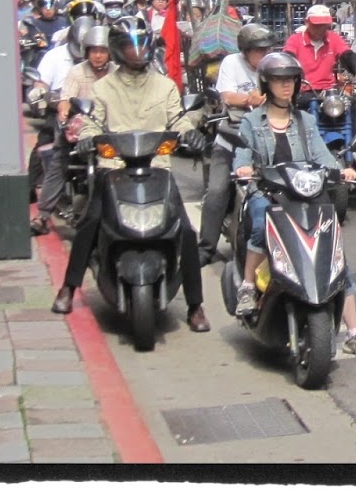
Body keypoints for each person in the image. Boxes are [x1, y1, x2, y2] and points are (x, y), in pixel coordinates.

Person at [51, 18, 210, 332]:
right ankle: (69, 288)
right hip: (114, 171)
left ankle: (195, 306)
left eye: (140, 45)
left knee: (188, 232)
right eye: (128, 46)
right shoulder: (102, 87)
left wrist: (190, 134)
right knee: (90, 221)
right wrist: (87, 138)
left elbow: (178, 120)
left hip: (157, 170)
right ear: (117, 49)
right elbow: (94, 122)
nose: (136, 53)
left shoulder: (165, 86)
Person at [231, 52, 356, 357]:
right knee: (260, 221)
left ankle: (353, 333)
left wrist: (342, 168)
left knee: (336, 260)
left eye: (290, 81)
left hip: (306, 197)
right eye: (279, 81)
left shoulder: (306, 121)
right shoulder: (251, 122)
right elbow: (243, 155)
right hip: (267, 194)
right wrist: (244, 168)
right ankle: (247, 286)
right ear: (266, 83)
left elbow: (322, 156)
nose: (286, 86)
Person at [197, 23, 274, 264]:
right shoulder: (231, 63)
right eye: (258, 50)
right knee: (217, 191)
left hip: (268, 139)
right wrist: (249, 99)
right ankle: (206, 247)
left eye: (267, 49)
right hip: (232, 137)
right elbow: (227, 96)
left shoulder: (274, 65)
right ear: (245, 50)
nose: (264, 55)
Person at [31, 24, 115, 235]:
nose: (98, 56)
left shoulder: (117, 72)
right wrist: (64, 110)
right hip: (79, 130)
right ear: (86, 52)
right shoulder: (77, 72)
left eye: (102, 51)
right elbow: (66, 99)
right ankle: (43, 215)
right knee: (59, 163)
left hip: (111, 131)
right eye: (94, 51)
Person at [282, 4, 356, 97]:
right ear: (307, 22)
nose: (320, 29)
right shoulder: (295, 40)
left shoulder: (333, 38)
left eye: (323, 25)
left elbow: (347, 55)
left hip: (329, 91)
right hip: (303, 91)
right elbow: (288, 59)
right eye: (316, 25)